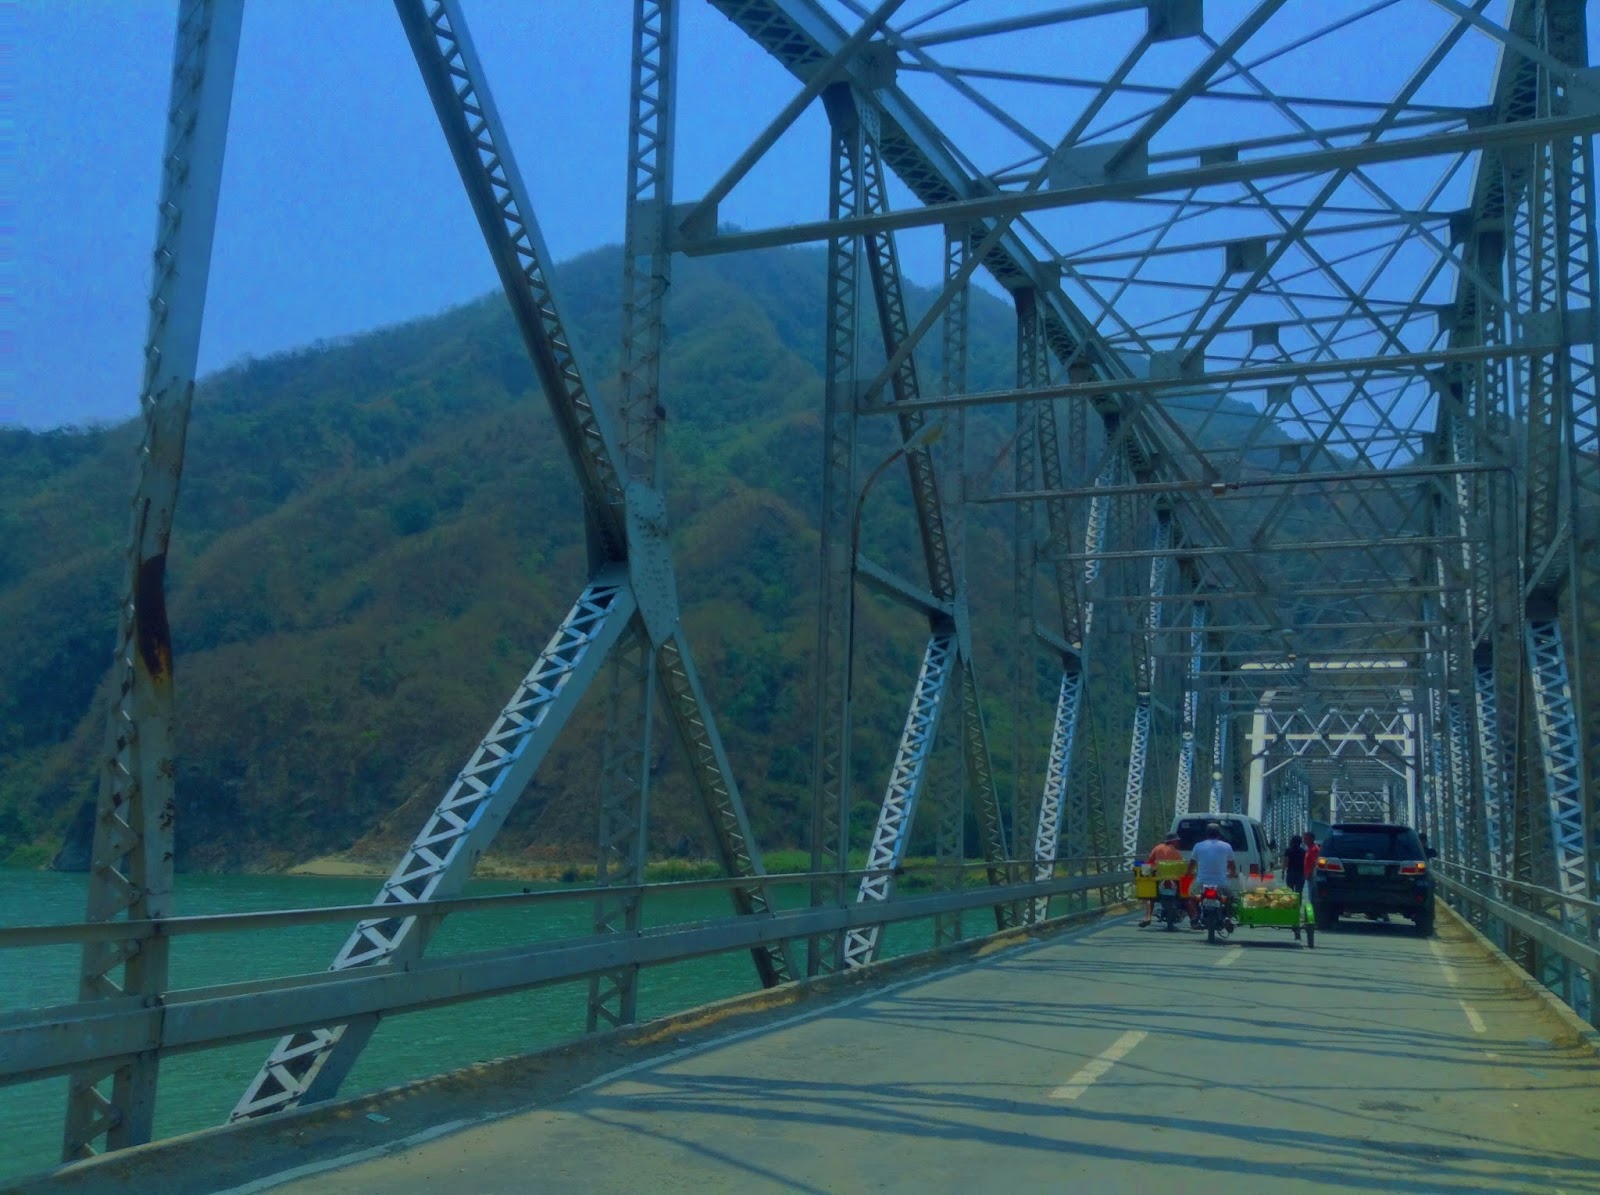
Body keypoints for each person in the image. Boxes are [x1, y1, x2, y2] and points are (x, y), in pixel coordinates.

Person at [1187, 822, 1239, 927]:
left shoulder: (1198, 846)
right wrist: (1233, 874)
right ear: (1219, 834)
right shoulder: (1227, 846)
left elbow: (1192, 864)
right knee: (1231, 899)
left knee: (1191, 898)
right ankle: (1227, 917)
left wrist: (1189, 873)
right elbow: (1232, 865)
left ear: (1207, 834)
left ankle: (1195, 916)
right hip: (1221, 883)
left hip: (1202, 882)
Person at [1139, 833, 1184, 927]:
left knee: (1150, 896)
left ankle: (1148, 917)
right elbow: (1181, 866)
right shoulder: (1176, 852)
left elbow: (1150, 861)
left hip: (1159, 877)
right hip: (1173, 878)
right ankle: (1192, 917)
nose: (1178, 842)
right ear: (1172, 841)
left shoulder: (1157, 848)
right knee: (1183, 895)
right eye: (1176, 840)